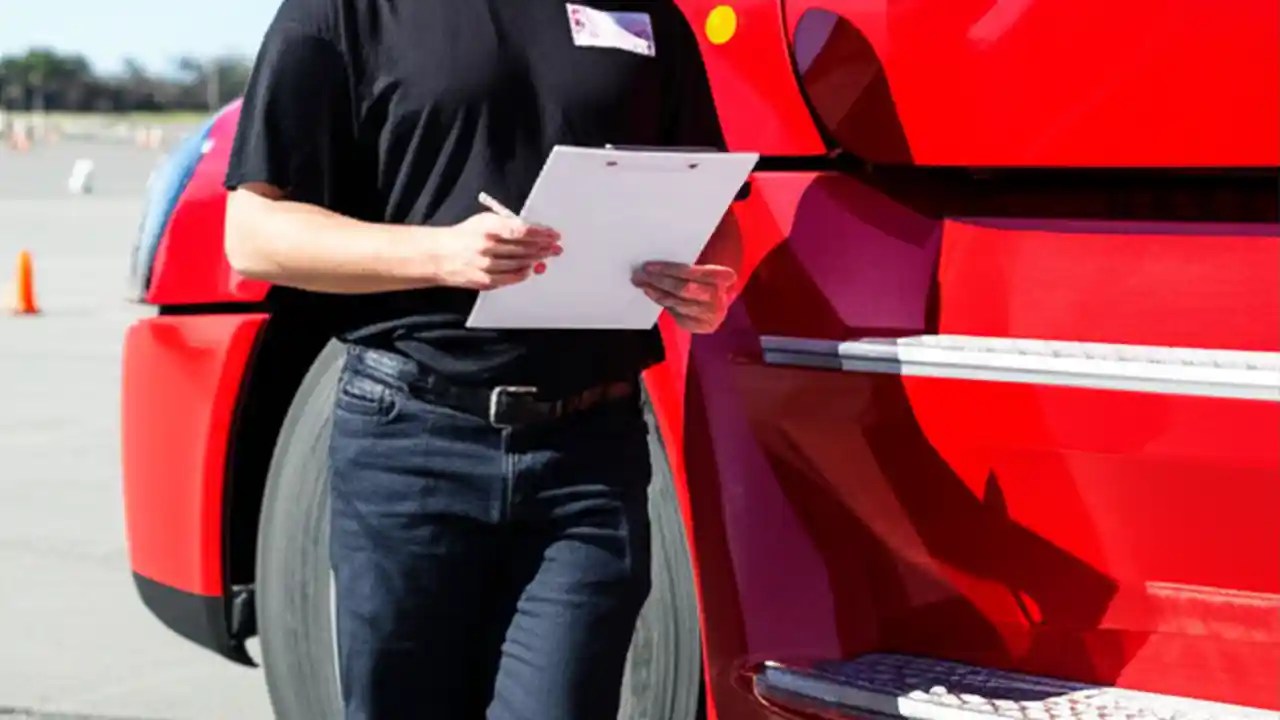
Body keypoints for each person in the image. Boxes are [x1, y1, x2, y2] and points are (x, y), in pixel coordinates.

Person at [222, 0, 743, 717]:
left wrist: (708, 284)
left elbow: (714, 218)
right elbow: (254, 234)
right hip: (410, 448)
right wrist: (440, 254)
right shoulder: (346, 11)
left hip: (590, 457)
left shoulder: (649, 15)